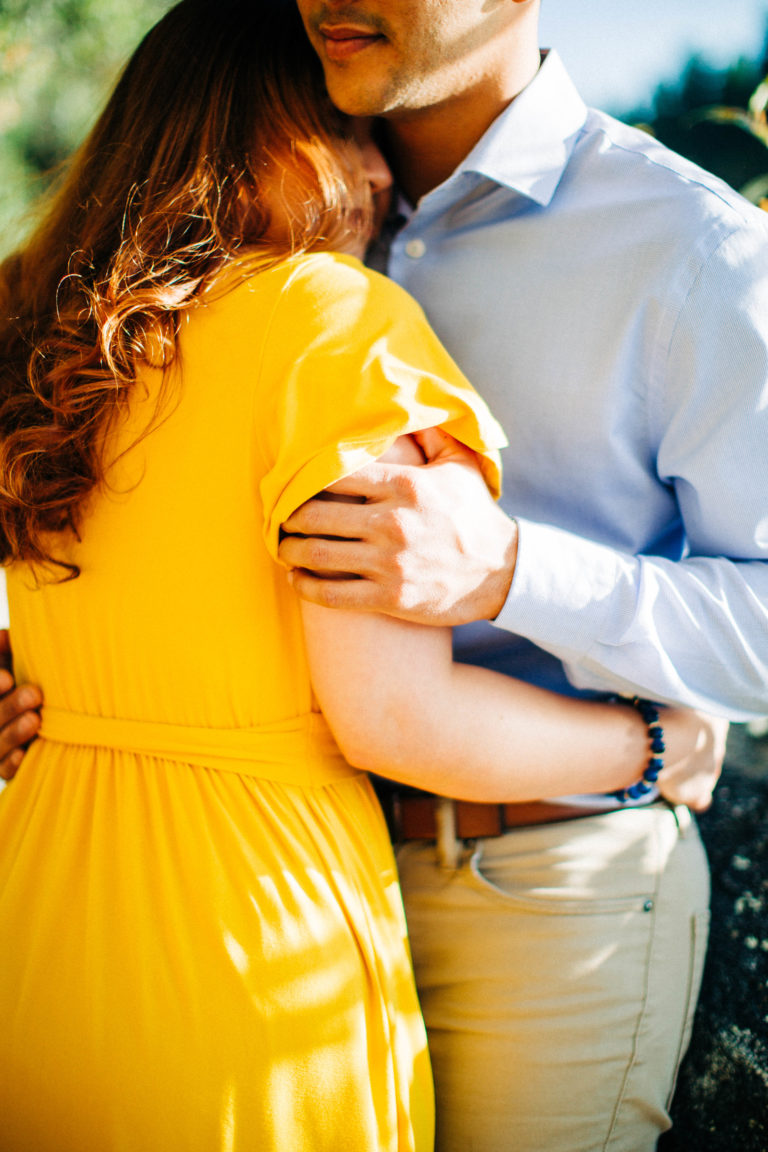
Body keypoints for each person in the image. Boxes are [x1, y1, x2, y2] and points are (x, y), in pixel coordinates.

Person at [0, 1, 725, 1150]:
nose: (377, 182)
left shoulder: (42, 329)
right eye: (344, 141)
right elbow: (393, 715)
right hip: (259, 922)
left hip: (56, 909)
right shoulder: (326, 312)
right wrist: (651, 748)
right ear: (274, 130)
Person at [273, 1, 768, 1150]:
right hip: (277, 881)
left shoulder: (692, 247)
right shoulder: (262, 210)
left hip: (545, 902)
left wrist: (508, 572)